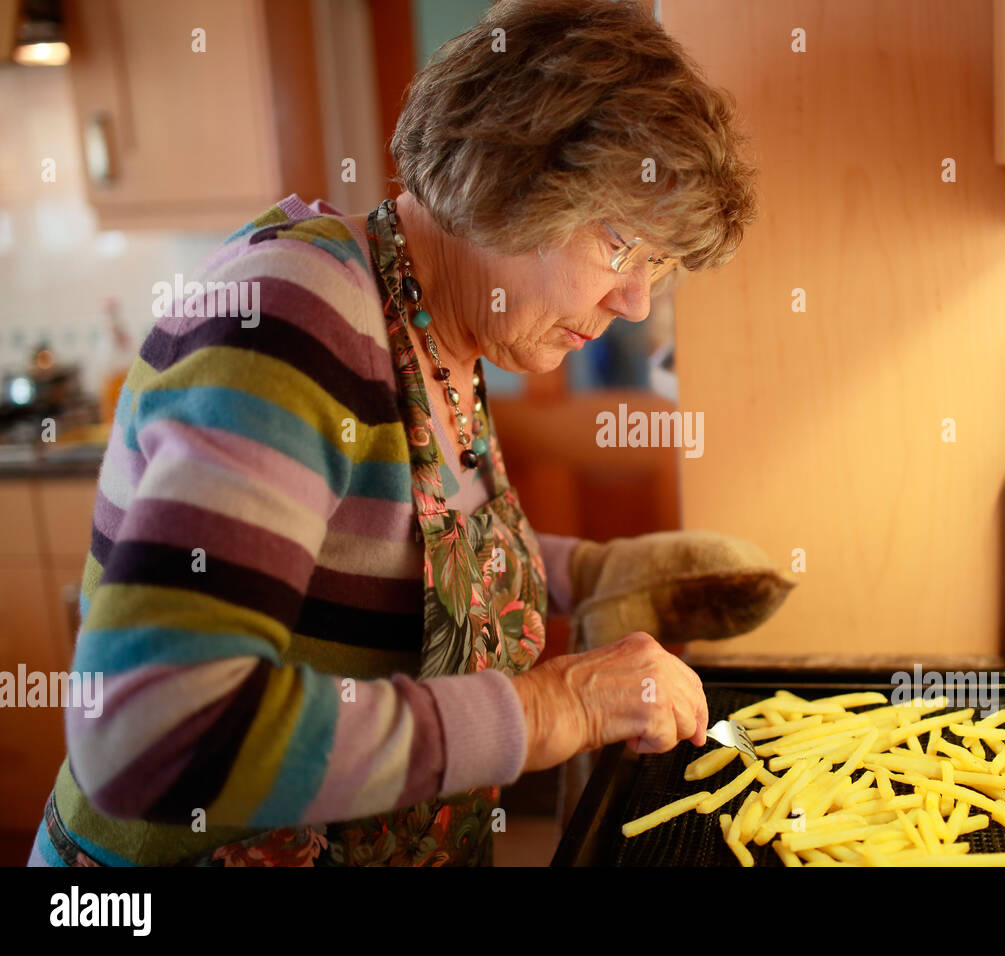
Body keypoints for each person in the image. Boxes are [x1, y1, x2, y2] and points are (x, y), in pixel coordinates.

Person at [28, 0, 759, 867]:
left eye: (660, 266)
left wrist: (589, 575)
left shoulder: (440, 329)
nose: (636, 300)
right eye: (620, 243)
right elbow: (150, 735)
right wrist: (558, 706)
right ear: (509, 177)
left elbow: (387, 556)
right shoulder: (296, 315)